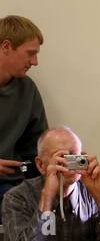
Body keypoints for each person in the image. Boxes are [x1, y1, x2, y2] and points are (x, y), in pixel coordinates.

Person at [0, 15, 50, 199]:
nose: (35, 62)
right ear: (6, 47)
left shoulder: (27, 89)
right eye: (30, 53)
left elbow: (37, 144)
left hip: (15, 182)